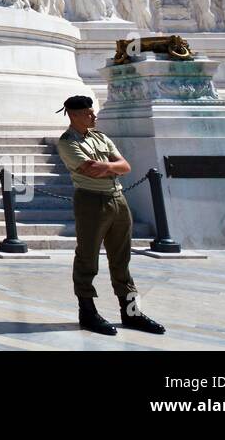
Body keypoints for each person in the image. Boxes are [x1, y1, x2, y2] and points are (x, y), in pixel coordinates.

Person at [56, 94, 166, 336]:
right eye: (88, 113)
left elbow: (125, 167)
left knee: (122, 260)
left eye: (92, 112)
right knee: (87, 259)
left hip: (118, 198)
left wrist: (105, 168)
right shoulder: (67, 142)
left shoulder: (101, 137)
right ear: (74, 115)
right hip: (90, 200)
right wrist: (108, 167)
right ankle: (87, 312)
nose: (94, 116)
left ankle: (131, 313)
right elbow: (91, 170)